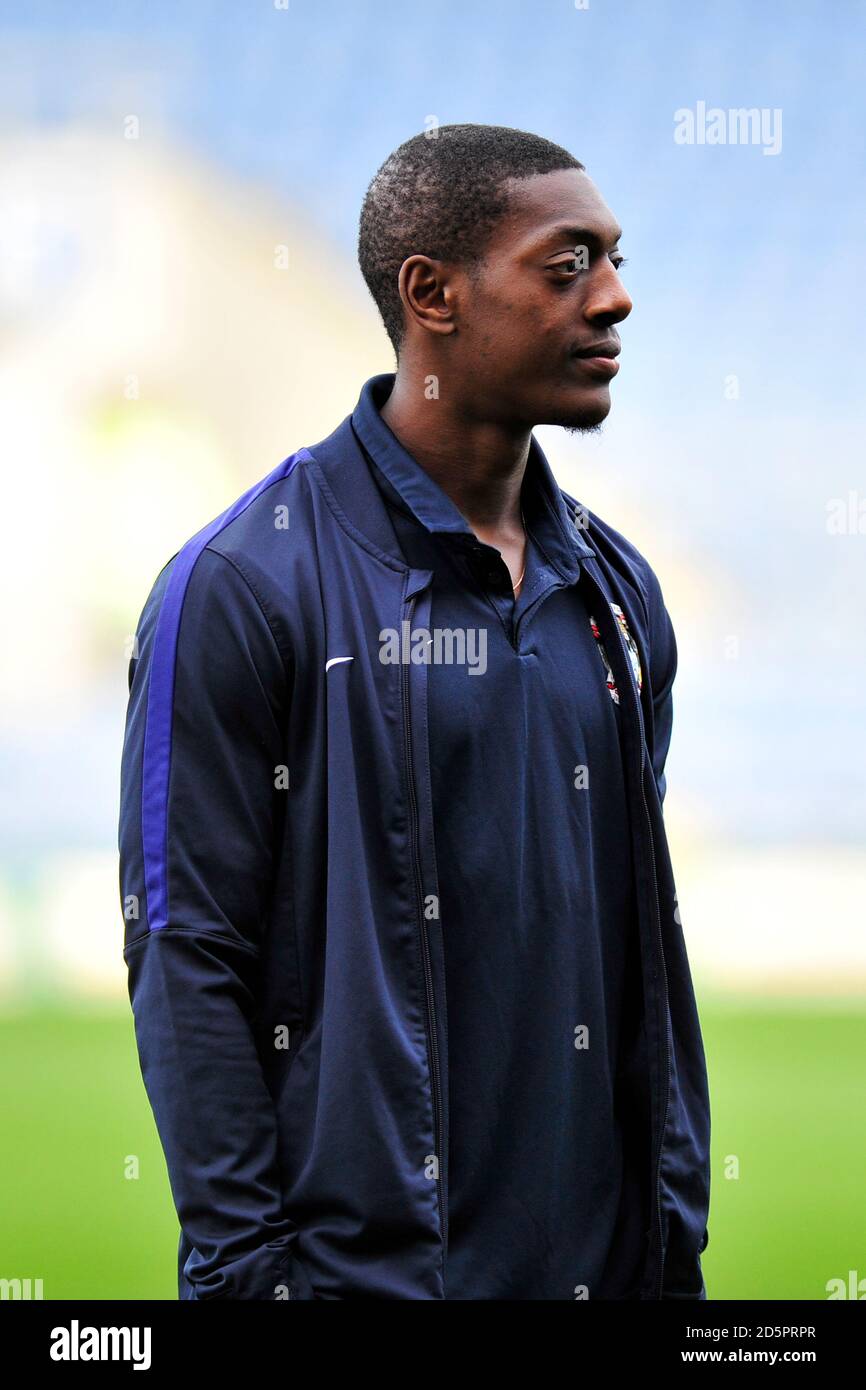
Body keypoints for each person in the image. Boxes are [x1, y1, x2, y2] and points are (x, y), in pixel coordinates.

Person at [118, 123, 710, 1301]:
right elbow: (187, 953)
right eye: (567, 263)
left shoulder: (617, 594)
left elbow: (634, 951)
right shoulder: (244, 583)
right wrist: (252, 1282)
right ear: (429, 294)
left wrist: (668, 1243)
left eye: (614, 259)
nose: (615, 298)